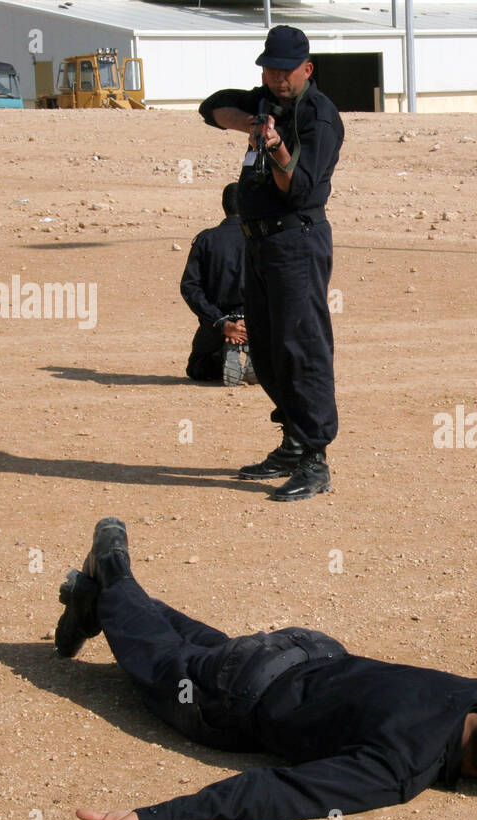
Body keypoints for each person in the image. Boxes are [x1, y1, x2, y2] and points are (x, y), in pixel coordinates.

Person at [48, 519, 477, 820]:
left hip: (303, 648)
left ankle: (95, 596)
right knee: (158, 663)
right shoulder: (398, 770)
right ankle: (112, 577)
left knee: (193, 643)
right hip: (241, 696)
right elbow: (271, 793)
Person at [199, 26, 344, 502]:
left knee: (302, 349)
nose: (277, 78)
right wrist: (249, 124)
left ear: (307, 69)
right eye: (270, 68)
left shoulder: (318, 119)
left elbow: (297, 189)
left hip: (296, 243)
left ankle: (314, 458)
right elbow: (212, 105)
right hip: (257, 244)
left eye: (286, 70)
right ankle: (292, 440)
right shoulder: (263, 99)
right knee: (266, 348)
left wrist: (277, 145)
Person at [181, 182, 254, 387]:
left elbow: (190, 287)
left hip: (217, 321)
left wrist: (221, 323)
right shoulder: (261, 238)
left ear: (224, 206)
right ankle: (257, 353)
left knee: (198, 368)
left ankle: (221, 356)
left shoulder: (207, 239)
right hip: (255, 322)